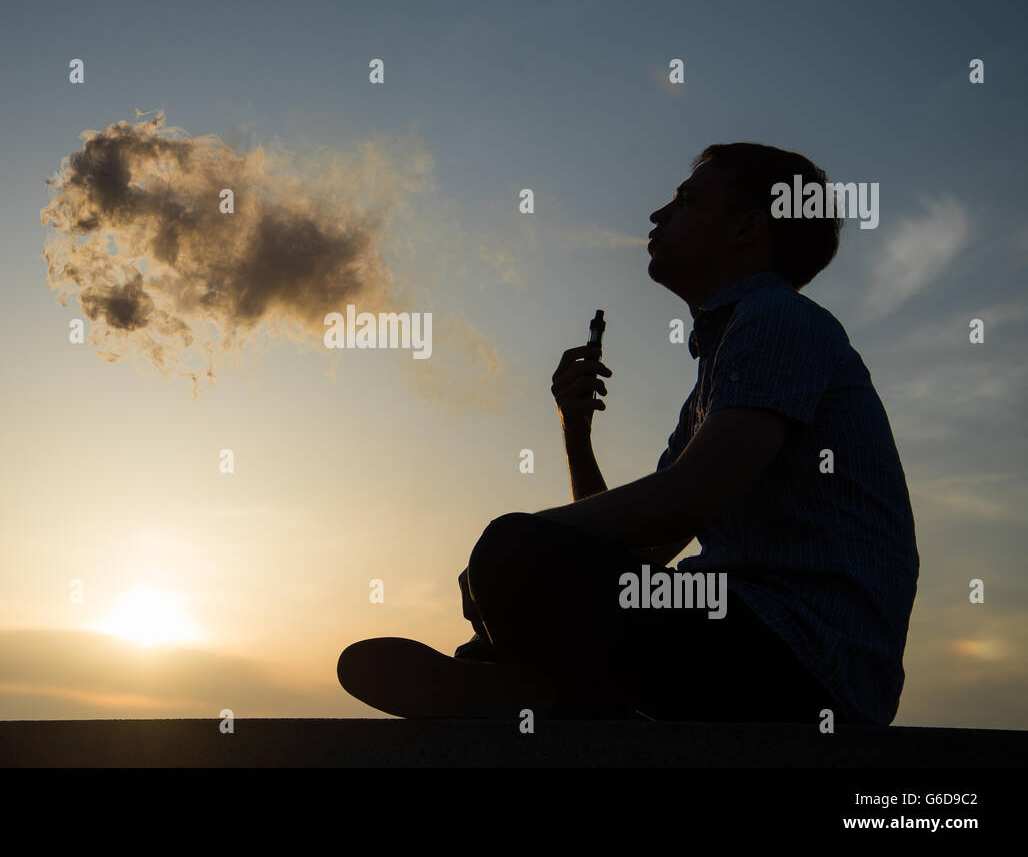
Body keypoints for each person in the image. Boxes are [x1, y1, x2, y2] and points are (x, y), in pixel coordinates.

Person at [340, 143, 919, 726]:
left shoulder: (780, 319)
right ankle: (525, 689)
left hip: (802, 663)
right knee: (524, 558)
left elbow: (688, 499)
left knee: (513, 549)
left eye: (686, 200)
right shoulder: (719, 378)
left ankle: (535, 694)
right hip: (757, 644)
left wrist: (515, 541)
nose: (657, 217)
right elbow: (635, 547)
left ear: (747, 226)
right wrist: (576, 430)